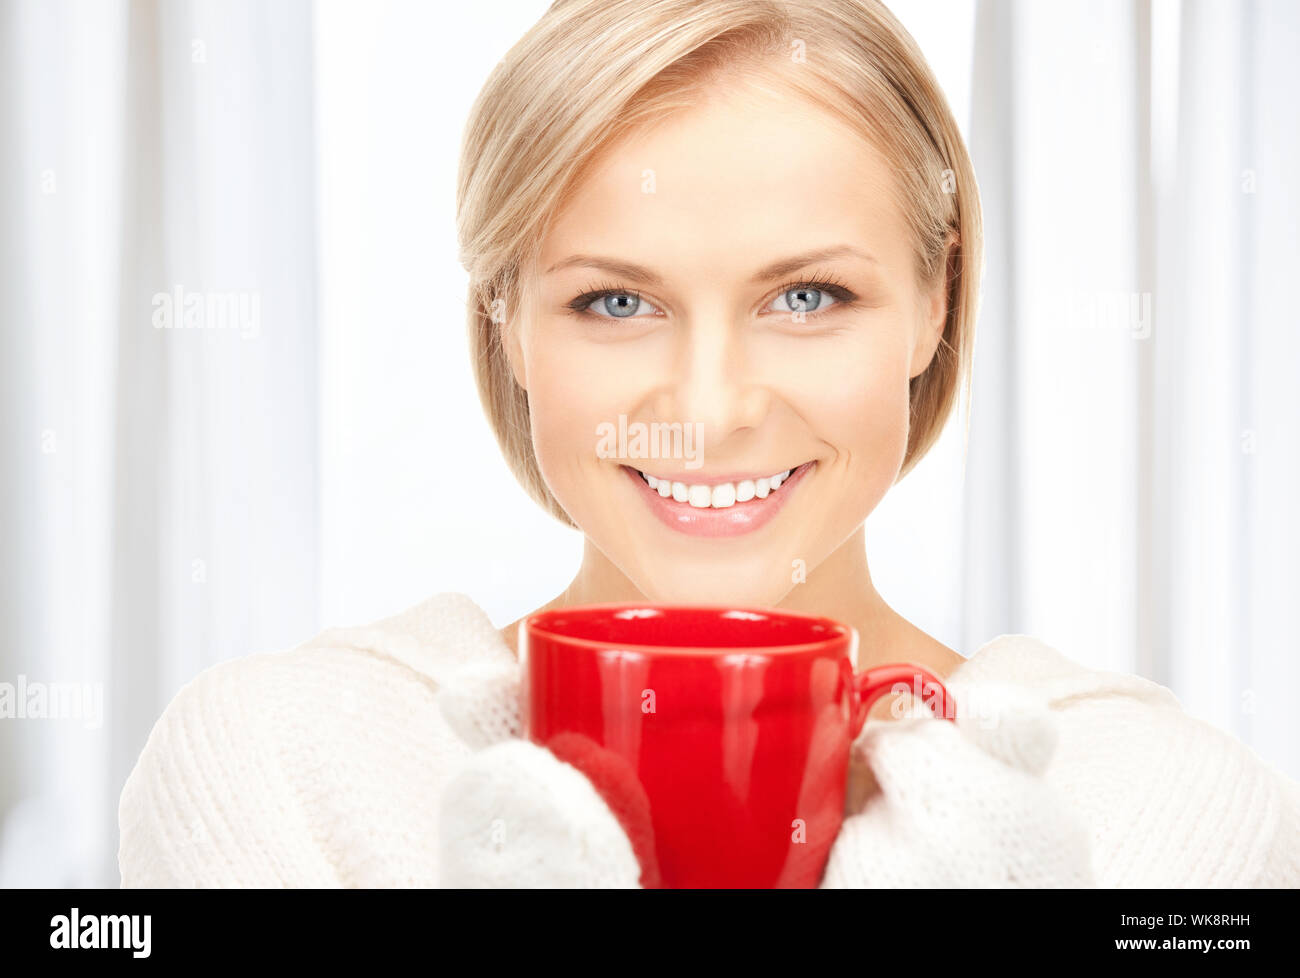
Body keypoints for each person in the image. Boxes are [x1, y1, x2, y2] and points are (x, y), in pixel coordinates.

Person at [118, 0, 1300, 888]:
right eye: (615, 303)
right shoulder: (284, 764)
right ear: (508, 323)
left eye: (806, 297)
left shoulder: (1159, 808)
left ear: (936, 302)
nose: (712, 405)